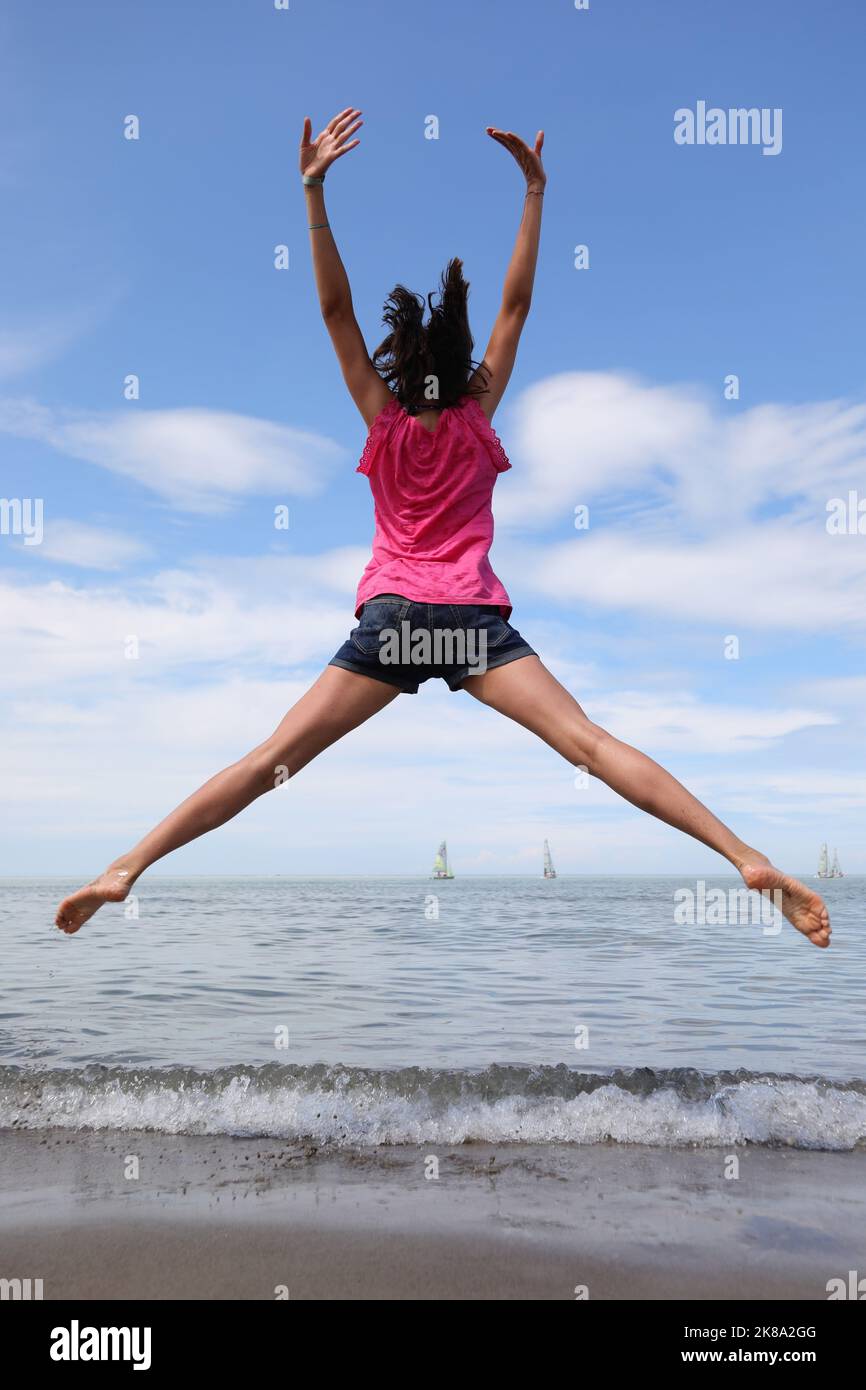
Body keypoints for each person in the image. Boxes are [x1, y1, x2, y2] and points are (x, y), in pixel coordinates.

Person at [56, 108, 831, 949]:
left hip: (394, 622)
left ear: (400, 361)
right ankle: (744, 855)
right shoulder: (476, 415)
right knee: (591, 747)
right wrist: (534, 192)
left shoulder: (382, 419)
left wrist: (313, 190)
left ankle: (128, 866)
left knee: (266, 762)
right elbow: (518, 303)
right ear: (463, 364)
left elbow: (334, 311)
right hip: (469, 626)